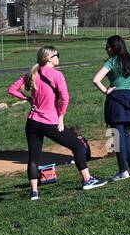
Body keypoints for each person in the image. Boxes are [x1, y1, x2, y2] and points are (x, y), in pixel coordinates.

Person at [7, 45, 107, 199]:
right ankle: (87, 180)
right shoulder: (57, 75)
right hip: (50, 122)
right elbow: (65, 98)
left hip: (32, 122)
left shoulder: (32, 73)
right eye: (57, 55)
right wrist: (61, 118)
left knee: (34, 157)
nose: (59, 57)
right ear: (49, 58)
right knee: (79, 146)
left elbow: (12, 89)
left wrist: (27, 98)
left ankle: (34, 193)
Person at [93, 35, 130, 181]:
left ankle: (122, 171)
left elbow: (96, 80)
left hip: (116, 103)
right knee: (126, 136)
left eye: (107, 46)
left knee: (117, 138)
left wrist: (106, 91)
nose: (106, 49)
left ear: (113, 48)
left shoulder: (111, 61)